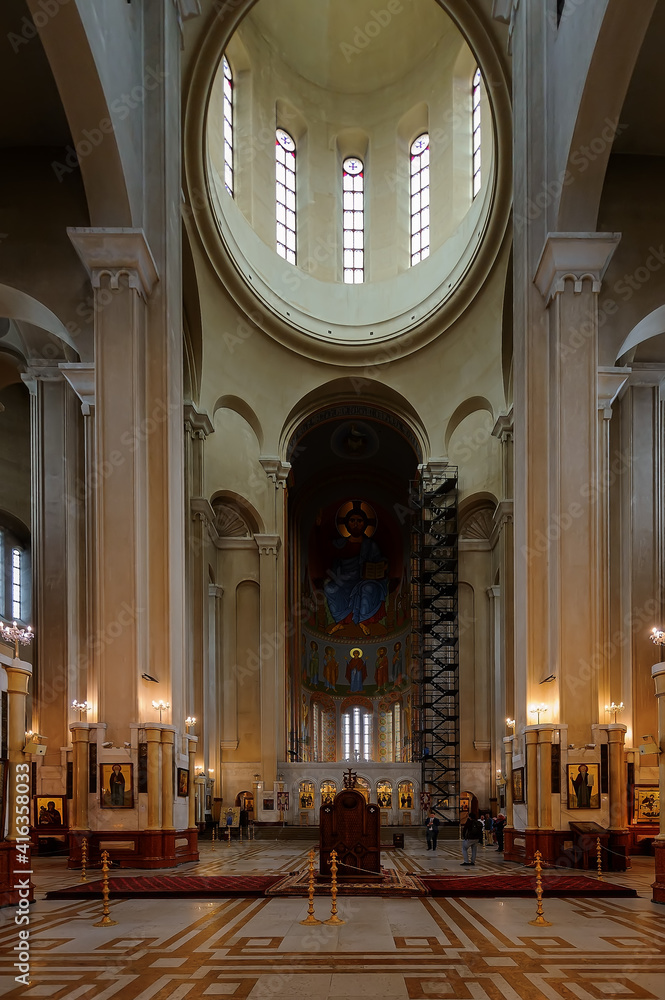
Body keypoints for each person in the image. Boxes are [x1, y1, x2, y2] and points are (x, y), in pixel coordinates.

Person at [324, 506, 388, 636]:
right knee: (330, 588)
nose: (356, 524)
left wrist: (382, 568)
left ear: (365, 524)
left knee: (368, 589)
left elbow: (379, 563)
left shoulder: (371, 545)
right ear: (347, 523)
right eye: (352, 520)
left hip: (365, 580)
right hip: (344, 580)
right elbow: (334, 565)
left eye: (359, 521)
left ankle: (363, 621)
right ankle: (340, 621)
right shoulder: (339, 543)